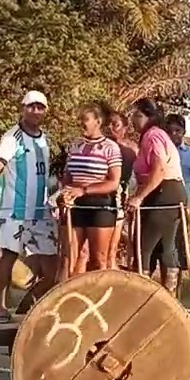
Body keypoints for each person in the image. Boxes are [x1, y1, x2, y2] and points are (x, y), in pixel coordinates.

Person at [0, 90, 58, 323]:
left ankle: (32, 304)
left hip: (40, 210)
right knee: (8, 256)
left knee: (51, 264)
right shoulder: (11, 138)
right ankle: (1, 307)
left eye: (40, 107)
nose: (35, 111)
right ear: (23, 108)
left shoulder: (45, 138)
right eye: (31, 107)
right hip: (14, 209)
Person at [125, 97, 186, 295]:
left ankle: (140, 298)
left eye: (138, 115)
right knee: (164, 248)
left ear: (150, 117)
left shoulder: (153, 136)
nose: (134, 119)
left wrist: (138, 197)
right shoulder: (154, 136)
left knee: (143, 248)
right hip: (170, 193)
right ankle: (168, 298)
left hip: (163, 193)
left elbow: (158, 170)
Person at [58, 101, 123, 272]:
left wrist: (85, 190)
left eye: (85, 119)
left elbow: (113, 182)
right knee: (69, 257)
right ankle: (71, 295)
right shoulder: (75, 146)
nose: (81, 123)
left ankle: (101, 296)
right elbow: (67, 176)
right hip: (76, 205)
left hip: (100, 206)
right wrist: (64, 192)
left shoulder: (110, 148)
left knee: (99, 259)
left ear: (98, 122)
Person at [148, 112, 190, 274]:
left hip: (180, 207)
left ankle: (174, 291)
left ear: (183, 132)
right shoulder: (159, 149)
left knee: (175, 249)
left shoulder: (189, 153)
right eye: (170, 131)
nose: (173, 134)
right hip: (159, 203)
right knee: (156, 248)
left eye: (177, 131)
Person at [103, 109, 137, 270]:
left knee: (123, 237)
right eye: (108, 124)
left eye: (115, 125)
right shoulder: (99, 146)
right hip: (101, 196)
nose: (111, 128)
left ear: (124, 127)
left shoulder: (132, 149)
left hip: (122, 196)